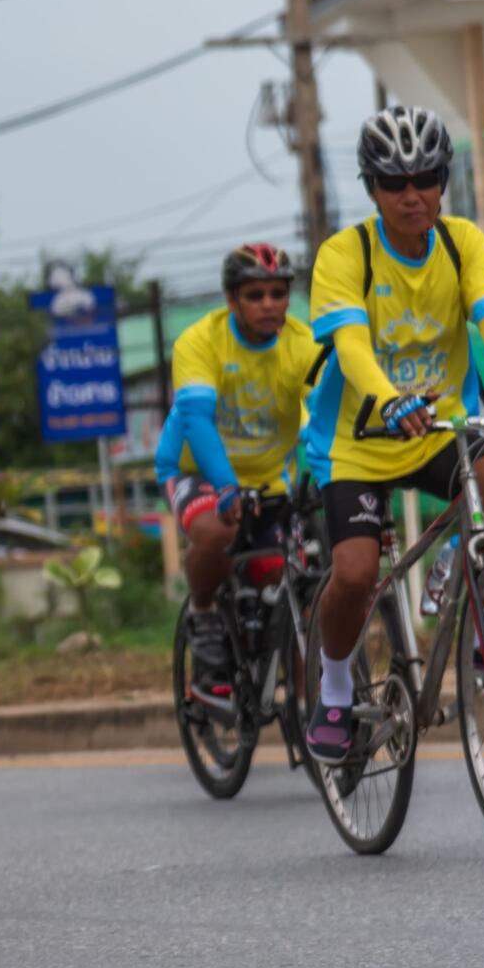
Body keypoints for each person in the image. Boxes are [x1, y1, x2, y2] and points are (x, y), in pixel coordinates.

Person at [302, 105, 484, 761]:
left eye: (427, 176)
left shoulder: (463, 243)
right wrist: (390, 399)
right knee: (354, 571)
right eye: (395, 181)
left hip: (438, 431)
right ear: (371, 188)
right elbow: (350, 349)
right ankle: (337, 686)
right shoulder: (346, 255)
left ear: (443, 179)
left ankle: (483, 636)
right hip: (359, 440)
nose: (413, 194)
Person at [153, 244, 317, 694]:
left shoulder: (303, 344)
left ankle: (314, 712)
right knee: (220, 531)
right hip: (195, 471)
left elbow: (324, 412)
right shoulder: (200, 341)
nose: (269, 305)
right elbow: (197, 420)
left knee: (299, 579)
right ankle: (203, 612)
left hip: (268, 479)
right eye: (255, 295)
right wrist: (225, 487)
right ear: (231, 300)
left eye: (278, 293)